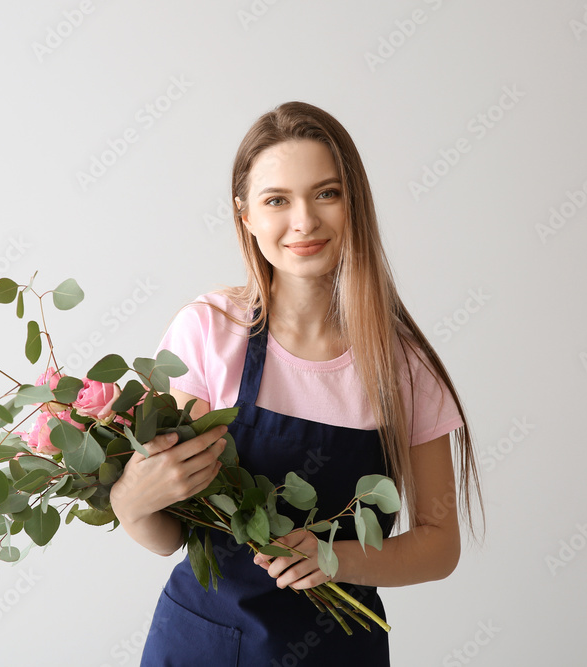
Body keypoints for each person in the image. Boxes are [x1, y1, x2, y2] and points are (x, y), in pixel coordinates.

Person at [109, 101, 485, 666]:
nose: (304, 221)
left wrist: (337, 560)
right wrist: (130, 503)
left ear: (353, 203)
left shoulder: (403, 366)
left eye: (326, 193)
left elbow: (439, 544)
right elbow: (174, 533)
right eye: (277, 200)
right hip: (203, 645)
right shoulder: (209, 332)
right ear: (246, 216)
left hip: (338, 651)